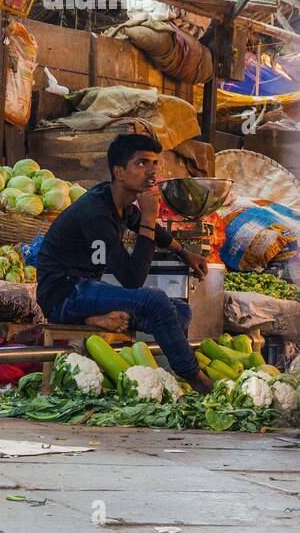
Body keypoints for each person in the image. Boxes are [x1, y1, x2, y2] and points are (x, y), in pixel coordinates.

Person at [35, 132, 214, 392]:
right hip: (64, 293)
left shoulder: (117, 201)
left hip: (86, 289)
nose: (151, 171)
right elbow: (132, 279)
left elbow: (154, 233)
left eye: (154, 163)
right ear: (119, 172)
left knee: (181, 311)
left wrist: (185, 253)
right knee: (154, 301)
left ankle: (94, 319)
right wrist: (149, 219)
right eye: (142, 163)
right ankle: (195, 378)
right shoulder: (95, 213)